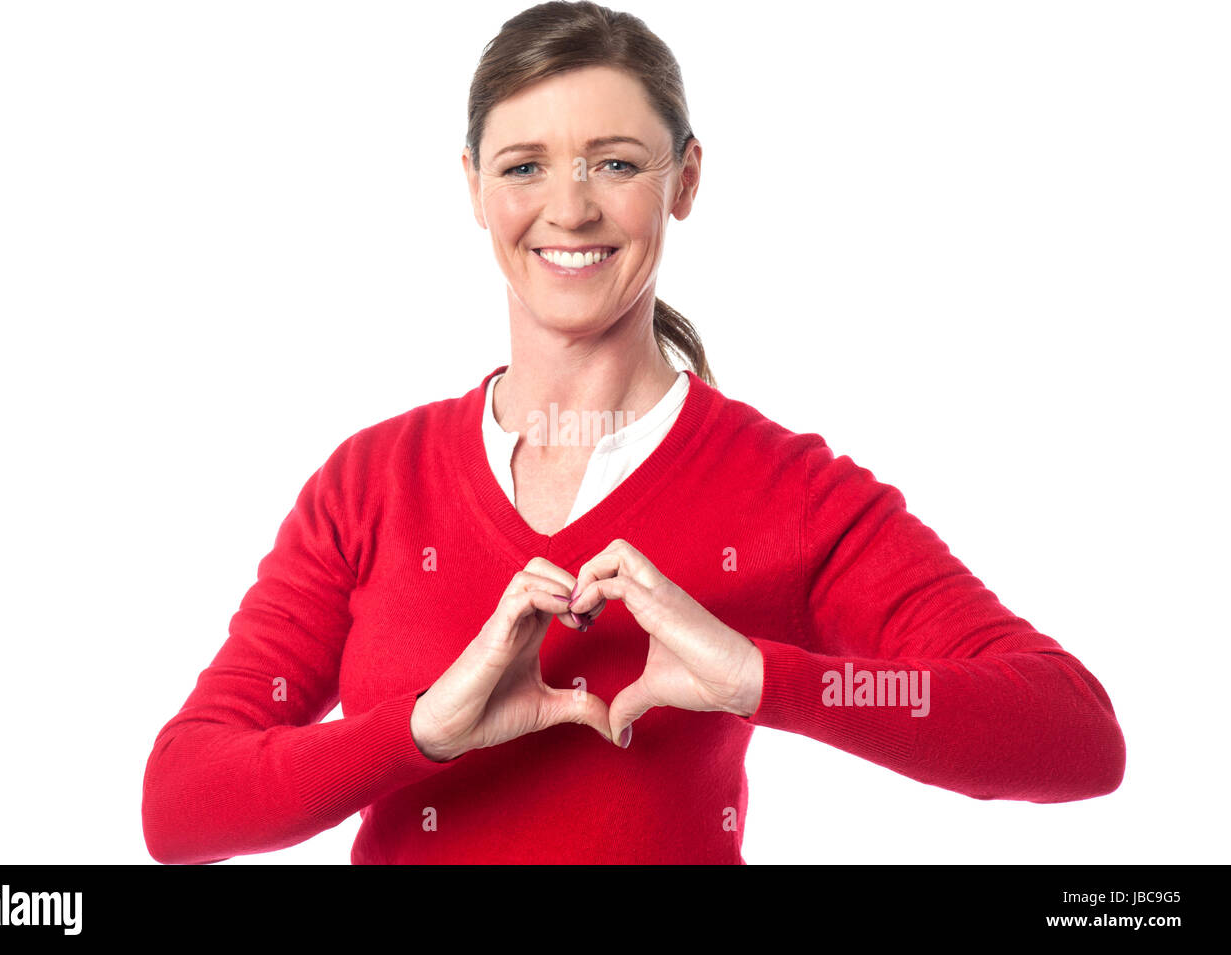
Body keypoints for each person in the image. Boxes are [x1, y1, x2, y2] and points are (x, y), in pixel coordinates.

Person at [141, 0, 1125, 865]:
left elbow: (1069, 733)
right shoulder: (369, 483)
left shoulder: (790, 492)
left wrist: (763, 678)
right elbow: (182, 804)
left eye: (614, 163)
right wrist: (424, 729)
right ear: (476, 189)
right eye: (525, 166)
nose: (567, 208)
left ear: (683, 182)